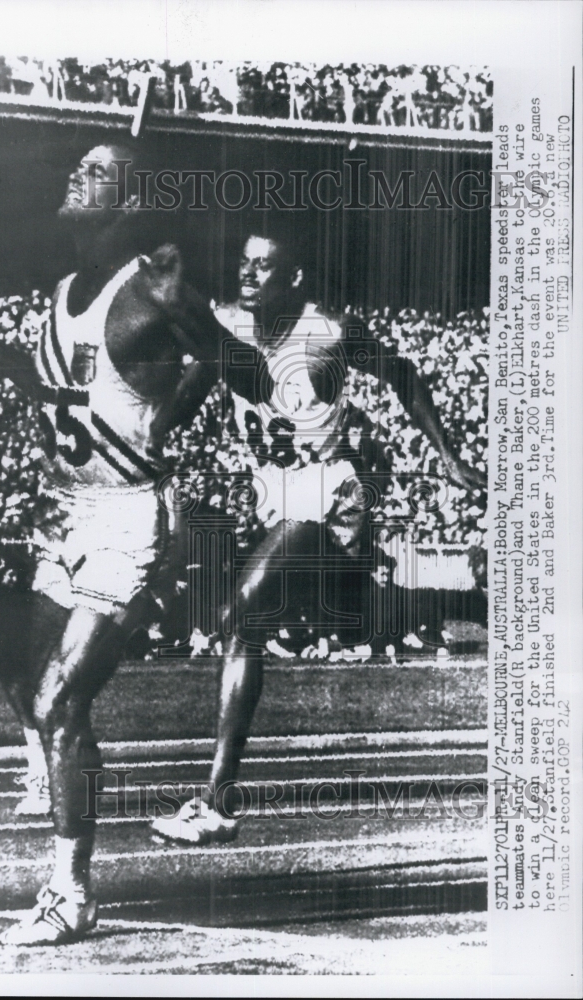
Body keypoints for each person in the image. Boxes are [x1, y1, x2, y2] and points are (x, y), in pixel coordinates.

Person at [0, 143, 273, 946]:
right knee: (18, 673)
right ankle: (65, 807)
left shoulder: (153, 287)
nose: (75, 174)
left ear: (131, 200)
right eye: (74, 165)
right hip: (65, 512)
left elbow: (250, 374)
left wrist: (191, 365)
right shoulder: (65, 293)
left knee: (61, 700)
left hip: (133, 518)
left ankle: (70, 893)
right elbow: (59, 393)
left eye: (97, 170)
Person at [149, 227, 485, 845]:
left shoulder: (327, 330)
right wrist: (147, 440)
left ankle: (217, 802)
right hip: (273, 495)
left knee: (242, 611)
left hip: (328, 490)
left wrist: (446, 456)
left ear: (293, 277)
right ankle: (219, 800)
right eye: (244, 264)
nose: (248, 275)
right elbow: (194, 389)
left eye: (263, 266)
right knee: (246, 623)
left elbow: (403, 373)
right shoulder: (227, 327)